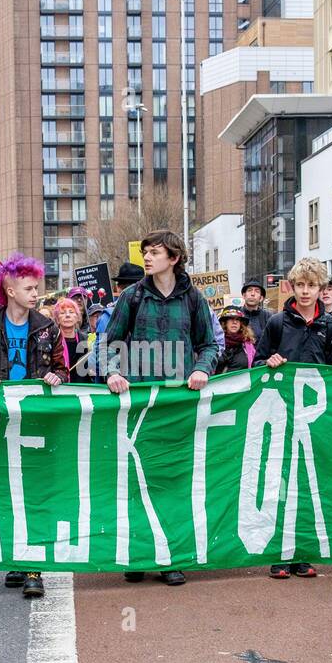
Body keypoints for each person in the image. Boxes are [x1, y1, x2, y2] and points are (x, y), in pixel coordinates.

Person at [102, 231, 218, 587]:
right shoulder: (133, 296)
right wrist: (113, 371)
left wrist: (202, 368)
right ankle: (138, 556)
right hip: (139, 403)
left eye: (155, 252)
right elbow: (111, 344)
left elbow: (209, 345)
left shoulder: (193, 298)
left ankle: (171, 557)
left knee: (173, 479)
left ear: (174, 258)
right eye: (145, 252)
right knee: (137, 479)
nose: (147, 258)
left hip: (177, 404)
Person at [0, 255, 67, 599]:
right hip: (0, 422)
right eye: (29, 287)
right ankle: (15, 557)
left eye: (37, 287)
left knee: (35, 490)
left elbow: (62, 369)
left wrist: (57, 377)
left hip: (37, 420)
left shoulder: (48, 327)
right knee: (7, 489)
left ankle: (33, 566)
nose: (36, 293)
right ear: (9, 289)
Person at [254, 257, 332, 580]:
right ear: (291, 286)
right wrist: (267, 361)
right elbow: (257, 361)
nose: (305, 291)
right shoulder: (276, 322)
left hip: (315, 418)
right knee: (280, 483)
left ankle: (303, 553)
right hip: (281, 415)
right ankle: (278, 553)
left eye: (311, 285)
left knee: (311, 484)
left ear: (321, 289)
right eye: (300, 285)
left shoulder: (330, 325)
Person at [215, 304, 257, 374]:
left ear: (241, 324)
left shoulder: (248, 344)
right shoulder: (214, 343)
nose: (235, 322)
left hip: (242, 384)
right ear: (225, 322)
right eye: (231, 318)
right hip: (217, 384)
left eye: (238, 319)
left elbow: (254, 364)